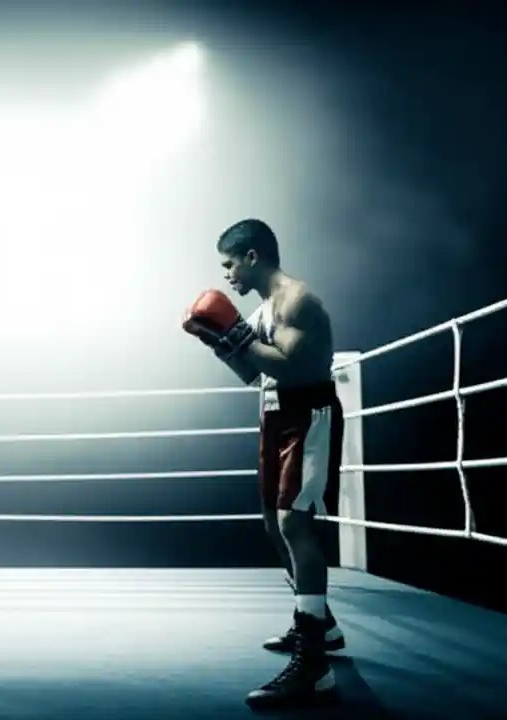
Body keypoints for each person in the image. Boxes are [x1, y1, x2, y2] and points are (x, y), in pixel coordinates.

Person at [181, 218, 343, 708]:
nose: (227, 275)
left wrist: (232, 332)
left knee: (296, 524)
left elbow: (290, 366)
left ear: (253, 257)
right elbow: (252, 372)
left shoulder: (298, 301)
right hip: (273, 417)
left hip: (306, 415)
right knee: (273, 524)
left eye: (230, 264)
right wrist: (219, 341)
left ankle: (313, 664)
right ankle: (323, 627)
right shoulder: (263, 310)